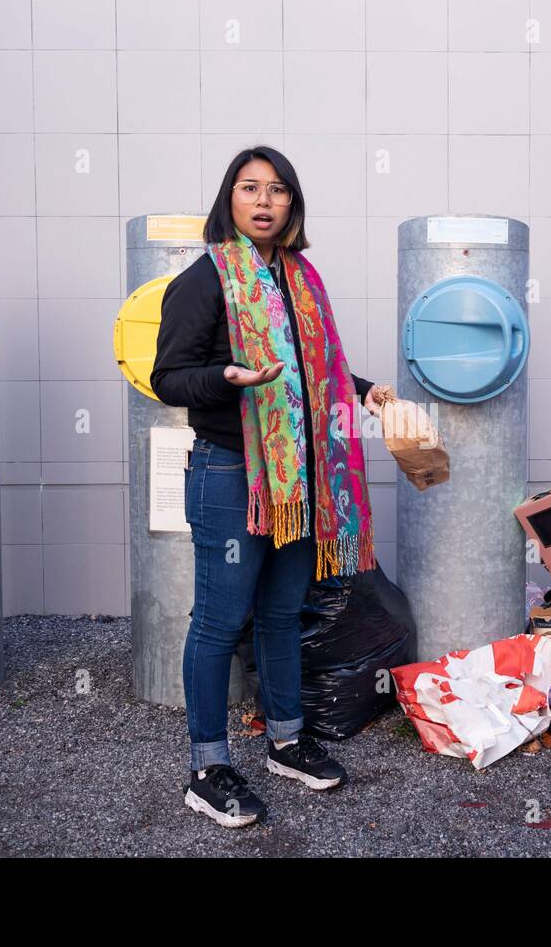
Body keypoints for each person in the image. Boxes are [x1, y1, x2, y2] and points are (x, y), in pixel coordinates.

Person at [150, 146, 382, 828]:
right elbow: (169, 376)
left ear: (292, 205)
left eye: (277, 190)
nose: (264, 200)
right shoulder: (206, 278)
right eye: (250, 188)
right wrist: (222, 379)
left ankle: (285, 740)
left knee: (283, 613)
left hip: (298, 477)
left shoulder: (301, 278)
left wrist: (368, 393)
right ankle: (207, 767)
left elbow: (319, 372)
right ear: (231, 199)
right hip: (231, 471)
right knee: (220, 621)